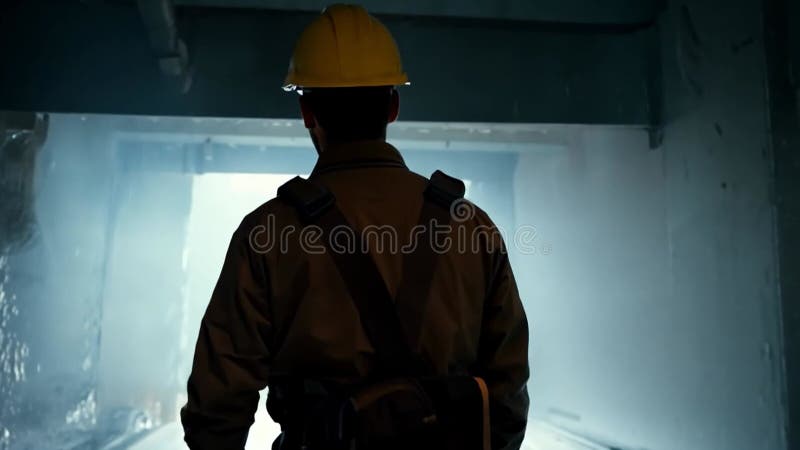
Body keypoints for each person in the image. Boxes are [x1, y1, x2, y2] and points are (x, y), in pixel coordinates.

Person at [180, 4, 529, 450]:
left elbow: (217, 406)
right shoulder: (471, 226)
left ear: (307, 112)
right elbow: (507, 393)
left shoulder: (267, 233)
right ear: (393, 107)